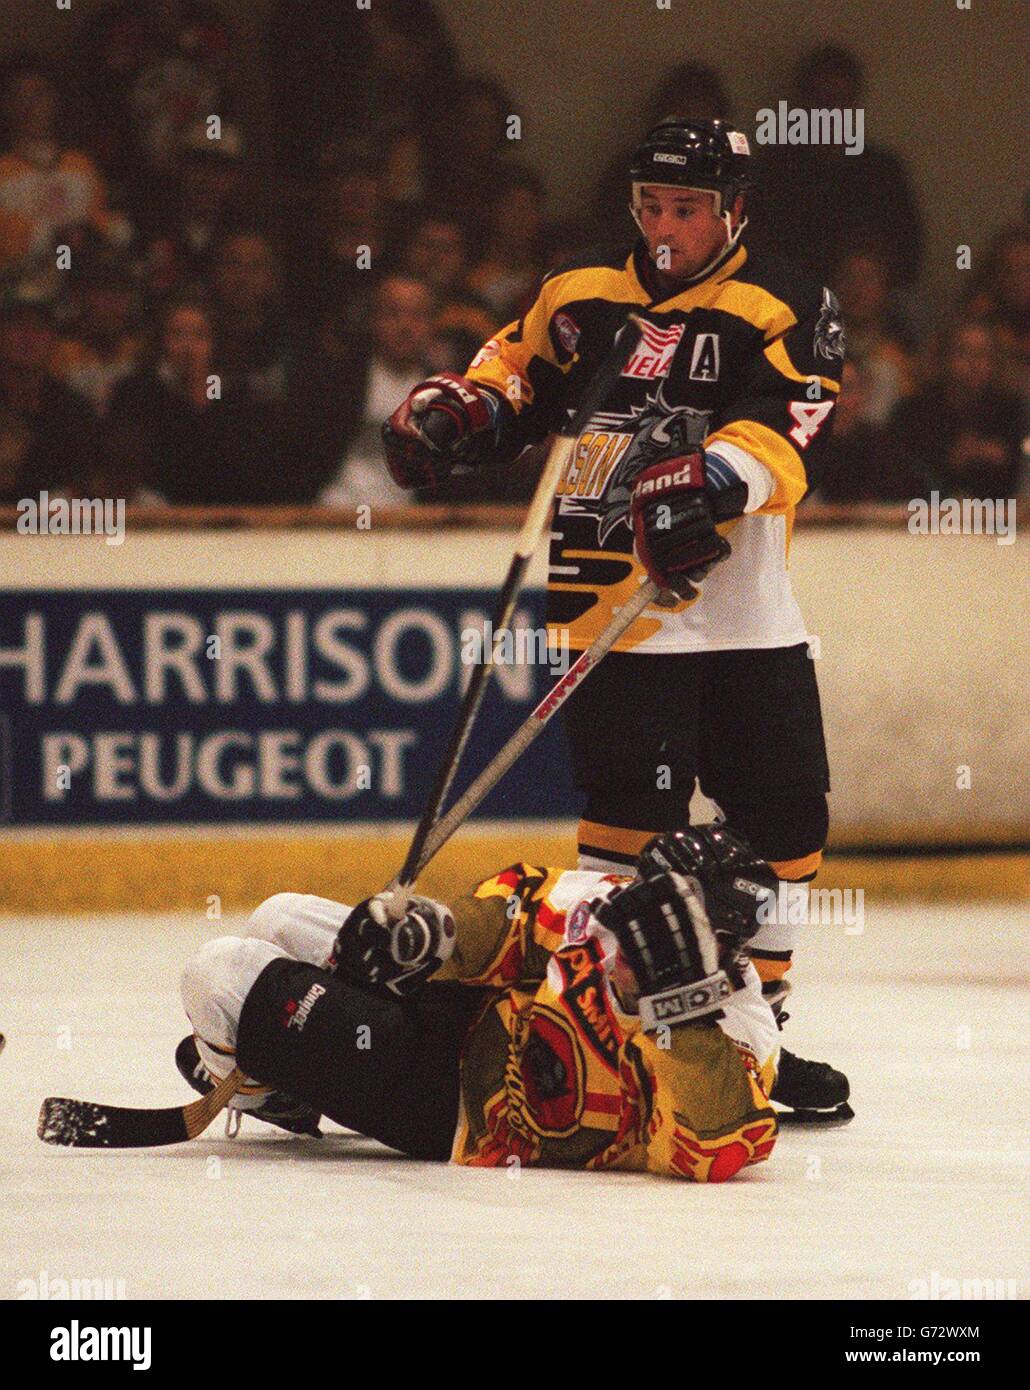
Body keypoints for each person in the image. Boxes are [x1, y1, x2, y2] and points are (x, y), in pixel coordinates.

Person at [381, 117, 849, 1120]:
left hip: (743, 612)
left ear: (732, 210)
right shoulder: (580, 289)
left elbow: (797, 420)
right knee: (630, 833)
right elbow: (514, 375)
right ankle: (608, 1026)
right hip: (612, 600)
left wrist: (712, 478)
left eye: (686, 208)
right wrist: (458, 410)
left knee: (784, 819)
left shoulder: (784, 300)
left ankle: (759, 1032)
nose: (665, 226)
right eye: (651, 206)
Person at [177, 825, 785, 1178]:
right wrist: (431, 931)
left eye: (666, 916)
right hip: (465, 1010)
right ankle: (274, 1091)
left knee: (217, 974)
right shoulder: (609, 902)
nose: (632, 916)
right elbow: (507, 918)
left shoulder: (742, 1027)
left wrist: (679, 1011)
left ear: (722, 943)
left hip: (455, 1099)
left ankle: (275, 1087)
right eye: (643, 892)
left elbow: (719, 1144)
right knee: (277, 916)